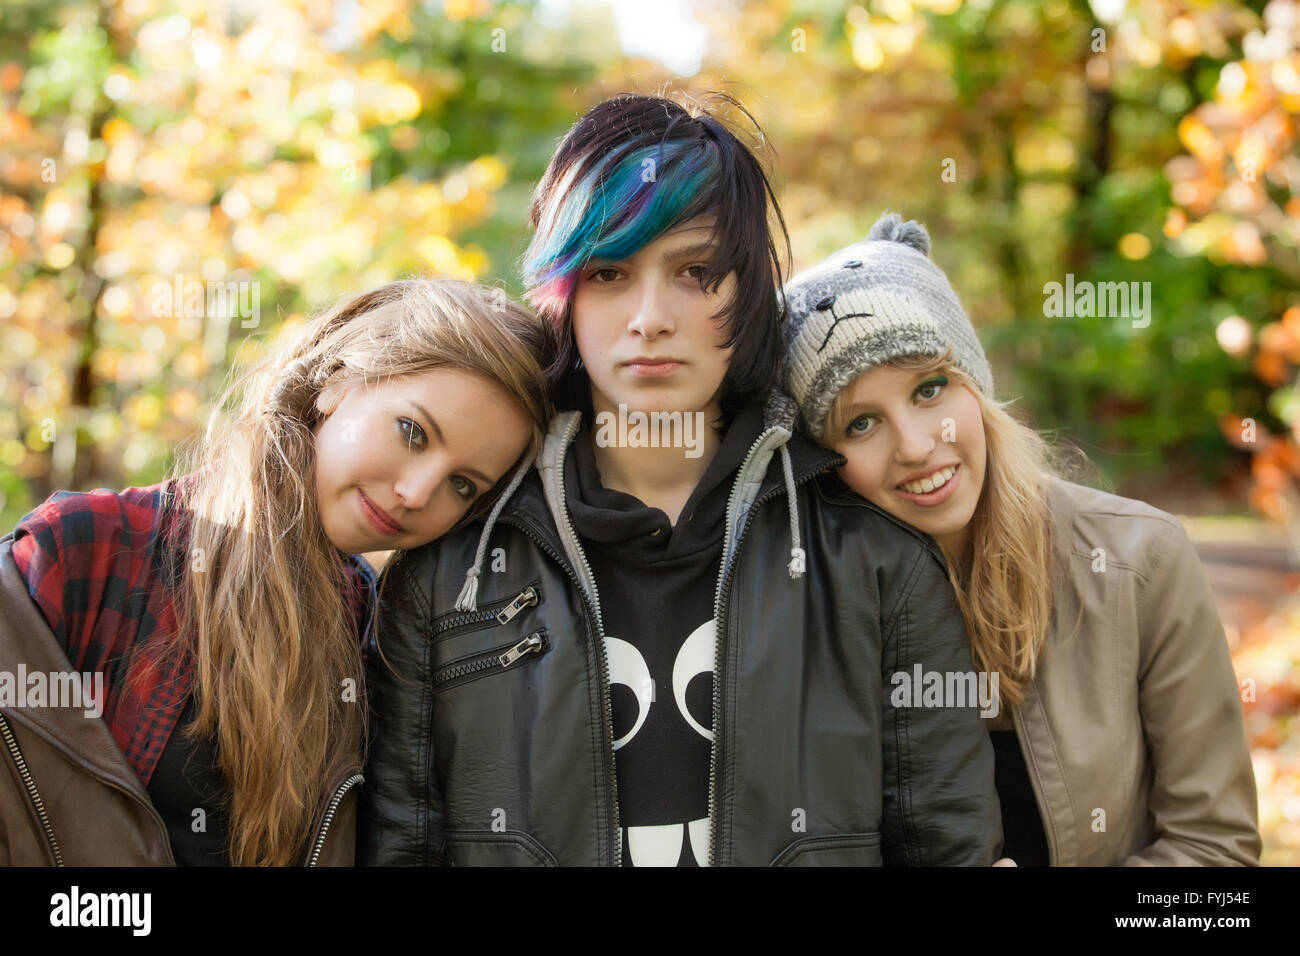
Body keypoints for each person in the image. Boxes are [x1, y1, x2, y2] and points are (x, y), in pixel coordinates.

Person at [359, 94, 1001, 866]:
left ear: (753, 290)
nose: (650, 317)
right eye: (609, 272)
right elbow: (403, 846)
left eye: (697, 271)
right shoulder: (449, 566)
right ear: (562, 292)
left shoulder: (875, 559)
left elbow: (947, 846)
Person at [0, 278, 550, 865]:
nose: (416, 493)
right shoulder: (87, 549)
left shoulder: (375, 631)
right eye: (412, 432)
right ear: (338, 380)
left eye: (462, 485)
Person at [781, 211, 1261, 866]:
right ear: (823, 460)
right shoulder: (807, 609)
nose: (918, 447)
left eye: (930, 389)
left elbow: (1218, 857)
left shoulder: (1140, 561)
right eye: (861, 423)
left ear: (976, 387)